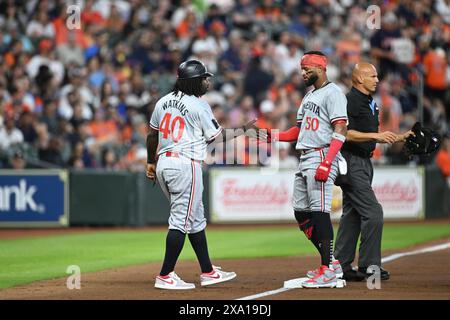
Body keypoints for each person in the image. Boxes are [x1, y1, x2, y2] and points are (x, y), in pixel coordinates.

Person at [146, 59, 264, 290]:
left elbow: (152, 135)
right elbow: (216, 138)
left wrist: (150, 161)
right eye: (203, 78)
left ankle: (208, 271)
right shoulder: (198, 105)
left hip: (164, 163)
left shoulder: (163, 101)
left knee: (195, 218)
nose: (206, 81)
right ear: (191, 82)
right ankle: (165, 274)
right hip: (185, 165)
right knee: (181, 220)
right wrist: (243, 130)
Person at [268, 51, 348, 288]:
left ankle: (327, 270)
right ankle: (330, 262)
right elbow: (298, 131)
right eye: (302, 68)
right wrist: (270, 135)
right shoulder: (309, 96)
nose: (303, 72)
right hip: (305, 156)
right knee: (301, 212)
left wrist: (328, 161)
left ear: (321, 68)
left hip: (322, 154)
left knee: (320, 211)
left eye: (308, 69)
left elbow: (341, 128)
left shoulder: (333, 93)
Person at [333, 62, 413, 281]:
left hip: (365, 162)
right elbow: (344, 133)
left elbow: (374, 135)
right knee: (373, 213)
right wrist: (376, 137)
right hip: (351, 161)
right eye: (372, 76)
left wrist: (399, 136)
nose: (377, 80)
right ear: (359, 78)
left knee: (353, 214)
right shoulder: (348, 100)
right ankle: (369, 266)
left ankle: (340, 264)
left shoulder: (370, 102)